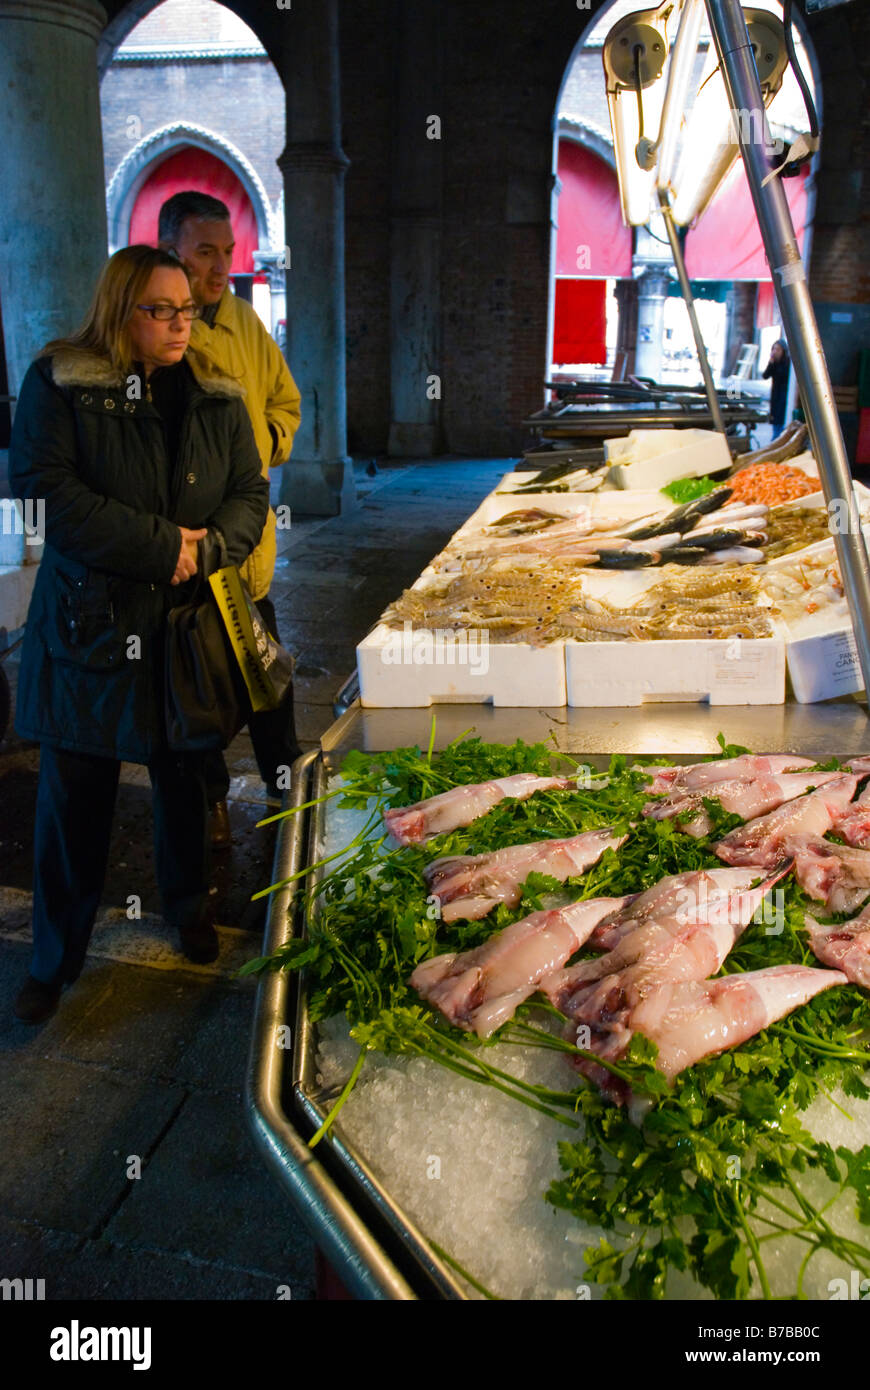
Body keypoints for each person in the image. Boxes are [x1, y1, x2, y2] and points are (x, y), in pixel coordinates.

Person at [10, 245, 269, 1024]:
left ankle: (190, 913)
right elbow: (44, 493)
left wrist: (209, 550)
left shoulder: (217, 394)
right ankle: (54, 959)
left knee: (186, 782)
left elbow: (251, 495)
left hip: (182, 631)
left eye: (187, 308)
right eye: (161, 310)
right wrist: (167, 548)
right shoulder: (61, 382)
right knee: (73, 802)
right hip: (90, 628)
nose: (181, 323)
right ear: (120, 310)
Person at [157, 191, 303, 847]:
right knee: (197, 704)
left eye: (227, 253)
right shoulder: (156, 332)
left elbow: (286, 403)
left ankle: (290, 799)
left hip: (249, 561)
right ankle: (210, 814)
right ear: (170, 254)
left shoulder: (243, 320)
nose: (219, 267)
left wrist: (257, 448)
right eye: (204, 253)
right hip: (189, 566)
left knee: (272, 689)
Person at [762, 339, 790, 436]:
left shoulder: (787, 363)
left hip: (784, 395)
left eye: (777, 350)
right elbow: (765, 376)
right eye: (773, 349)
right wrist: (770, 363)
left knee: (780, 419)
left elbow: (784, 375)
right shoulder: (774, 363)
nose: (774, 352)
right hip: (775, 395)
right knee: (775, 420)